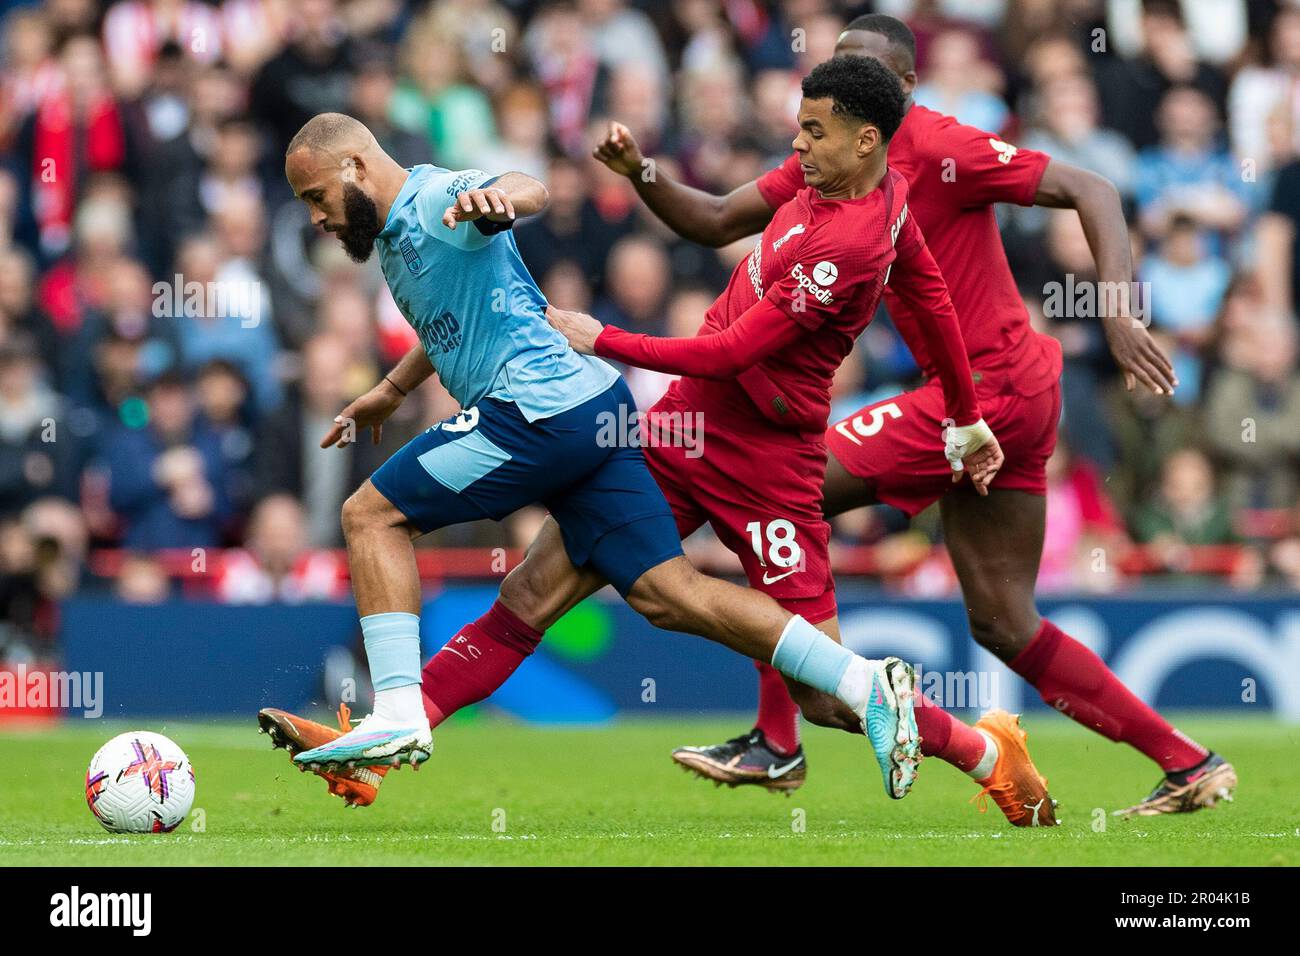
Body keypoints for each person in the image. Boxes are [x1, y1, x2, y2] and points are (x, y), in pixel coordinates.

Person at [265, 62, 1051, 824]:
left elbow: (732, 350)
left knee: (818, 699)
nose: (799, 145)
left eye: (814, 130)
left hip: (767, 456)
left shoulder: (856, 237)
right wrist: (966, 412)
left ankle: (977, 751)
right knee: (580, 596)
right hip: (681, 425)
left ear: (867, 141)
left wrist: (594, 322)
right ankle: (381, 742)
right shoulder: (815, 184)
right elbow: (749, 233)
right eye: (799, 128)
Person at [585, 13, 1231, 819]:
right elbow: (714, 218)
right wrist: (641, 170)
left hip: (991, 390)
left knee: (779, 489)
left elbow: (1091, 187)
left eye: (873, 79)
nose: (853, 96)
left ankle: (779, 742)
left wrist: (1119, 309)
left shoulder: (944, 147)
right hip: (1006, 391)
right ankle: (1188, 761)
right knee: (1003, 621)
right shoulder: (831, 160)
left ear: (907, 91)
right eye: (841, 75)